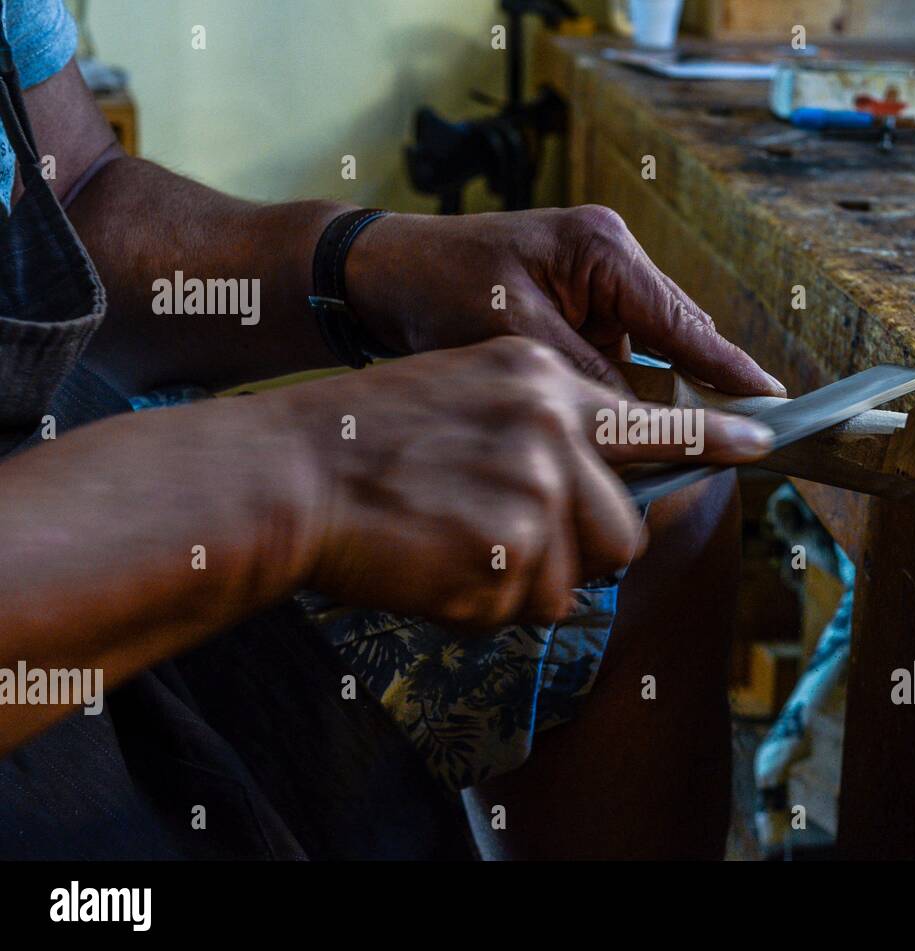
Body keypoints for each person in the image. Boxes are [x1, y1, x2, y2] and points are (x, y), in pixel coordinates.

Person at [0, 0, 785, 859]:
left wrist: (368, 265)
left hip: (60, 454)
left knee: (652, 497)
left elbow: (70, 190)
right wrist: (301, 475)